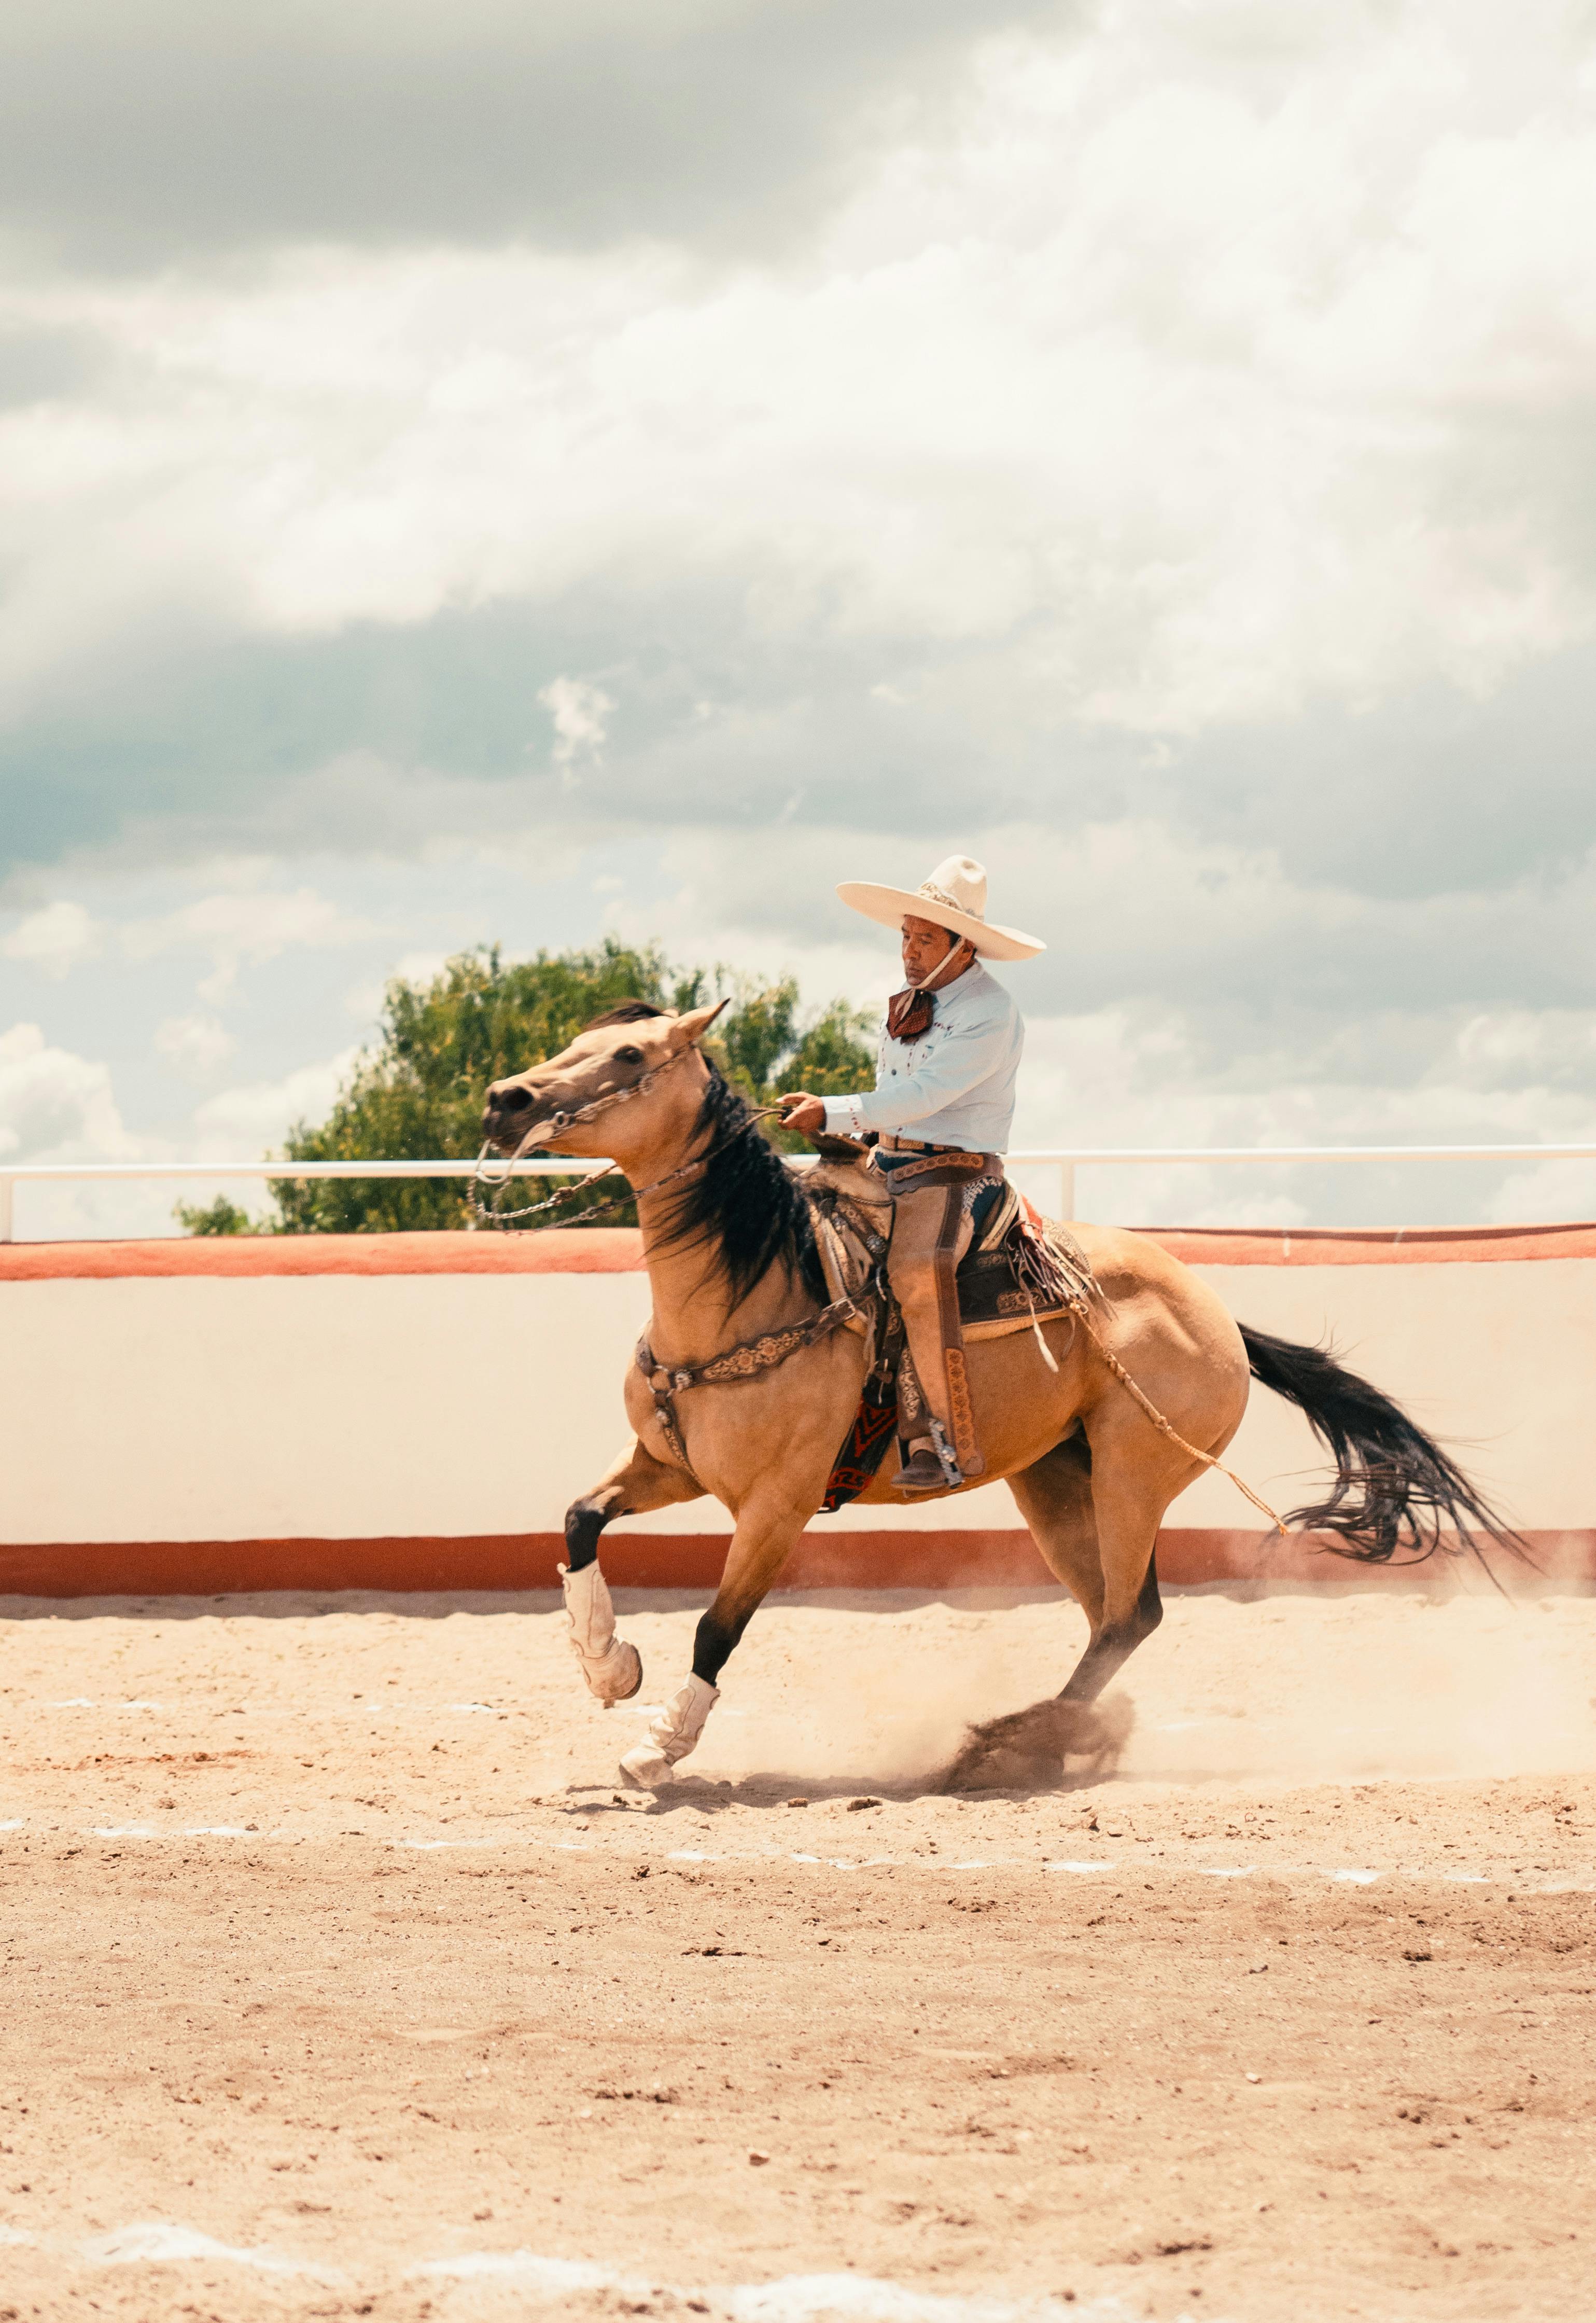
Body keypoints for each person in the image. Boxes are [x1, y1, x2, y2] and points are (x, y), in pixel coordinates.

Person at [781, 855, 1045, 1492]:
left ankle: (942, 1440)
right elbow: (890, 1094)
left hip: (957, 1174)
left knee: (915, 1273)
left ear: (962, 945)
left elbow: (927, 1093)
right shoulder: (908, 1004)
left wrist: (833, 1111)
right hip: (891, 1160)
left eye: (926, 939)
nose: (910, 950)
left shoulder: (990, 1011)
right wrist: (852, 1134)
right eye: (906, 935)